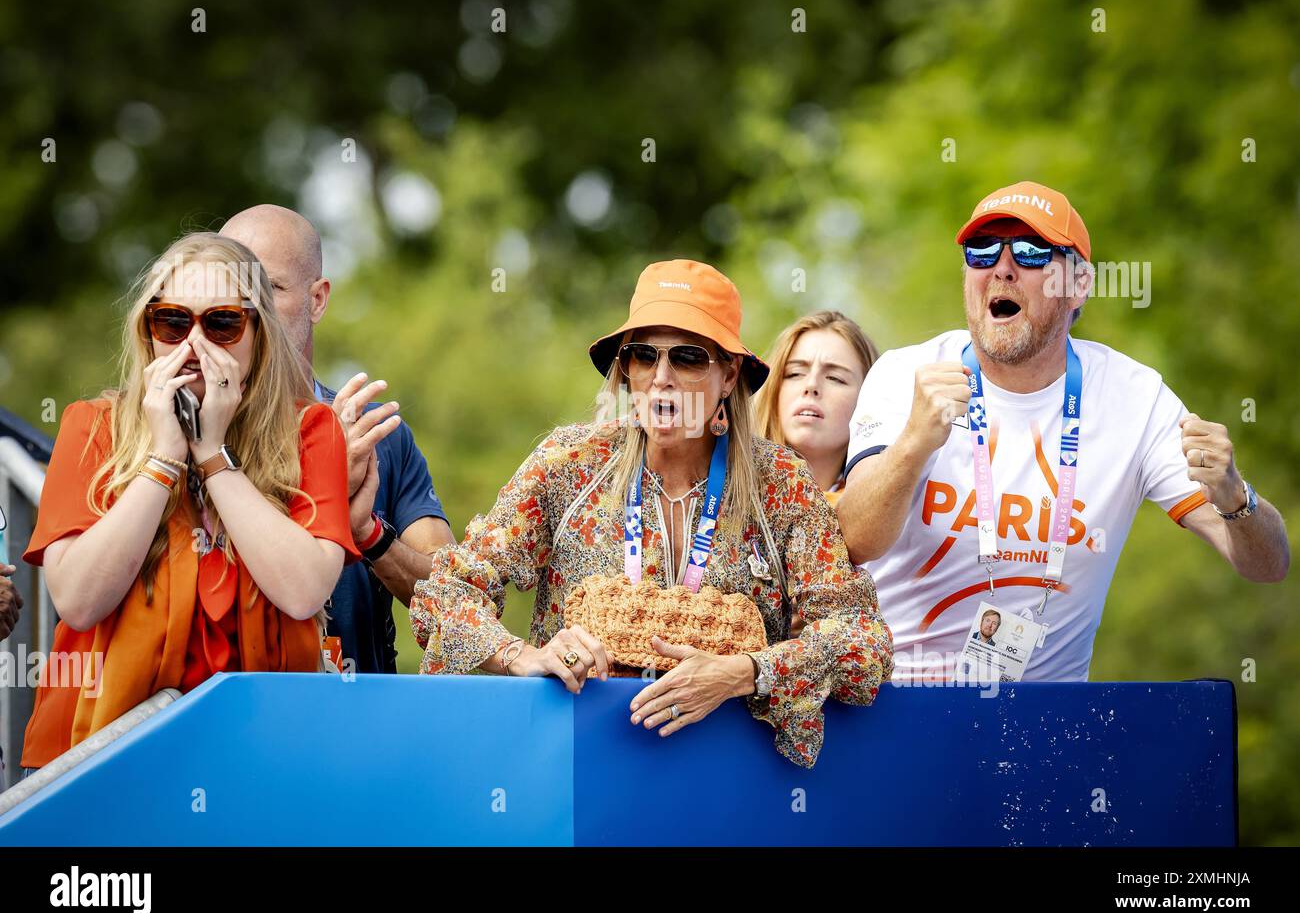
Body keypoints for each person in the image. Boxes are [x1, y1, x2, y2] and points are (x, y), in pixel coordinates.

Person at [409, 259, 892, 767]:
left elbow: (862, 641)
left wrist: (744, 672)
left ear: (728, 375)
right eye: (642, 355)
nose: (661, 378)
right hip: (573, 773)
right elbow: (446, 591)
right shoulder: (570, 462)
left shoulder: (782, 484)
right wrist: (525, 658)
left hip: (731, 780)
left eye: (686, 357)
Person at [837, 181, 1289, 683]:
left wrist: (1234, 496)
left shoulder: (1133, 397)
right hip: (893, 705)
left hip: (1044, 732)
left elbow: (1268, 565)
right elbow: (854, 540)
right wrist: (913, 444)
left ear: (1078, 285)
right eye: (982, 250)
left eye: (1031, 253)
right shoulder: (907, 375)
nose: (1002, 267)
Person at [18, 232, 359, 771]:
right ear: (148, 331)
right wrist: (163, 458)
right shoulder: (92, 426)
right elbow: (79, 600)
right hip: (101, 754)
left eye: (221, 323)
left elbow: (303, 591)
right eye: (173, 322)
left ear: (259, 335)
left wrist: (212, 454)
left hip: (261, 752)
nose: (194, 344)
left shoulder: (312, 431)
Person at [220, 205, 454, 673]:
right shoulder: (196, 430)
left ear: (318, 299)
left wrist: (368, 533)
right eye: (233, 291)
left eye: (270, 288)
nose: (249, 310)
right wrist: (323, 482)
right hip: (233, 713)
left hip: (360, 722)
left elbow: (453, 595)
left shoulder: (376, 434)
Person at [753, 310, 879, 506]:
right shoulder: (723, 484)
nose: (811, 385)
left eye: (835, 378)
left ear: (868, 399)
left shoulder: (890, 512)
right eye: (794, 373)